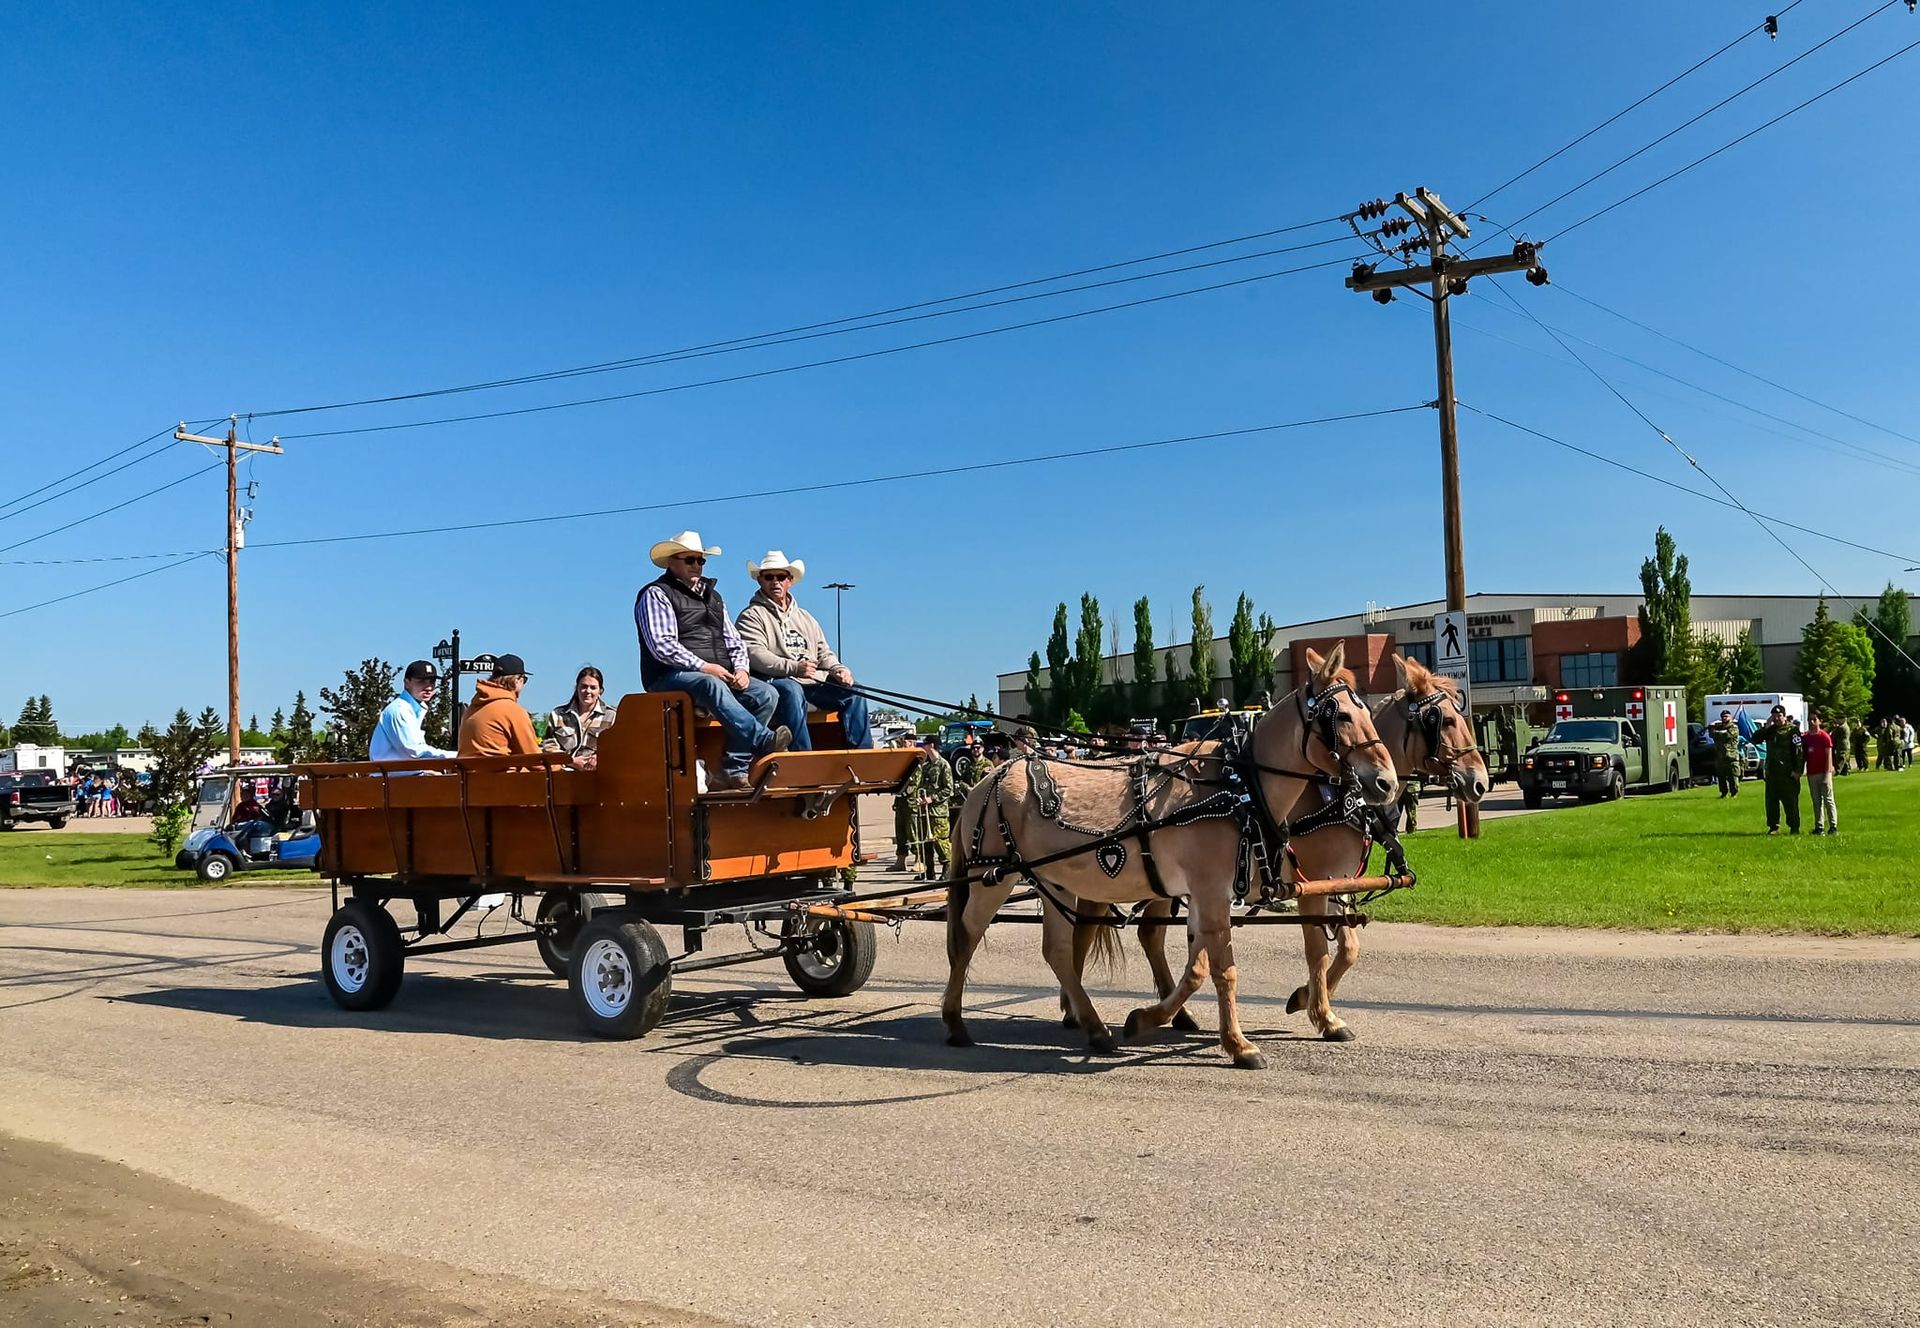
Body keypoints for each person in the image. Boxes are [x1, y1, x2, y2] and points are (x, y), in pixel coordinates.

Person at [636, 531, 788, 791]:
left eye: (700, 560)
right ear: (671, 562)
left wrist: (741, 669)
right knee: (711, 684)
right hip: (667, 676)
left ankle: (734, 769)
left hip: (715, 673)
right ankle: (763, 740)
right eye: (690, 560)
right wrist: (705, 667)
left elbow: (734, 639)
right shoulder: (656, 594)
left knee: (766, 693)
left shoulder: (714, 597)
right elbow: (662, 646)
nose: (697, 565)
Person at [734, 550, 872, 751]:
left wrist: (839, 669)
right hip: (777, 682)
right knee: (792, 689)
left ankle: (862, 756)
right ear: (760, 581)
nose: (775, 582)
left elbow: (823, 652)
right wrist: (794, 668)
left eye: (781, 577)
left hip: (813, 682)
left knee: (855, 691)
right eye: (769, 577)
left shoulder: (806, 617)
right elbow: (755, 654)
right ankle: (802, 756)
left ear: (790, 580)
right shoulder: (751, 616)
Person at [369, 660, 457, 764]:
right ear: (407, 683)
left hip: (401, 770)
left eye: (432, 682)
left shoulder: (412, 708)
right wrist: (457, 755)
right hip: (392, 772)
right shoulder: (399, 710)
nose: (429, 687)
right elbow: (415, 751)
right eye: (422, 681)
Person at [458, 654, 542, 758]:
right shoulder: (513, 711)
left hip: (467, 768)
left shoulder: (471, 709)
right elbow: (534, 759)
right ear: (517, 680)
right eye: (524, 679)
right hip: (502, 769)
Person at [542, 666, 618, 770]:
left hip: (598, 774)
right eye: (584, 686)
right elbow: (548, 747)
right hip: (564, 774)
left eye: (593, 687)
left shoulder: (612, 716)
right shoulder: (558, 715)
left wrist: (600, 758)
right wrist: (570, 761)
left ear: (600, 691)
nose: (588, 691)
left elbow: (617, 748)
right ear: (577, 688)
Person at [905, 734, 954, 880]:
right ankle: (929, 870)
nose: (924, 747)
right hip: (925, 811)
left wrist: (932, 798)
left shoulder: (943, 765)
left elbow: (949, 789)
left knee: (940, 841)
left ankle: (948, 869)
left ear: (932, 745)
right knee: (926, 843)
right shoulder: (926, 766)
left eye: (925, 745)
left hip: (938, 812)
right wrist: (920, 798)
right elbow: (921, 786)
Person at [1756, 703, 1805, 836]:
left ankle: (1794, 827)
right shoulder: (1770, 730)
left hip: (1788, 773)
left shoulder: (1792, 730)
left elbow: (1799, 751)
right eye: (1774, 716)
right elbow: (1755, 739)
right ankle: (1773, 827)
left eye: (1779, 716)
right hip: (1772, 772)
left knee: (1790, 802)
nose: (1777, 718)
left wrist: (1798, 771)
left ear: (1784, 716)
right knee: (1771, 802)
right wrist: (1766, 726)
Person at [1804, 711, 1837, 836]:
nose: (1811, 722)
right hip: (1812, 773)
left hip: (1824, 772)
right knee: (1816, 801)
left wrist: (1827, 774)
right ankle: (1819, 827)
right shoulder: (1806, 737)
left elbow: (1829, 756)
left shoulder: (1824, 737)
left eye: (1814, 719)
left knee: (1828, 799)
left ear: (1820, 721)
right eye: (1809, 720)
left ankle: (1833, 826)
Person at [1708, 709, 1741, 798]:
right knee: (1721, 776)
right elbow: (1712, 735)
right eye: (1723, 717)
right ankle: (1723, 793)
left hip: (1731, 756)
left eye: (1726, 716)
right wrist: (1711, 727)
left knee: (1733, 776)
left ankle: (1734, 793)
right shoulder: (1719, 727)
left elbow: (1727, 735)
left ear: (1730, 717)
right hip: (1720, 756)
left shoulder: (1734, 727)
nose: (1724, 718)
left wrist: (1717, 732)